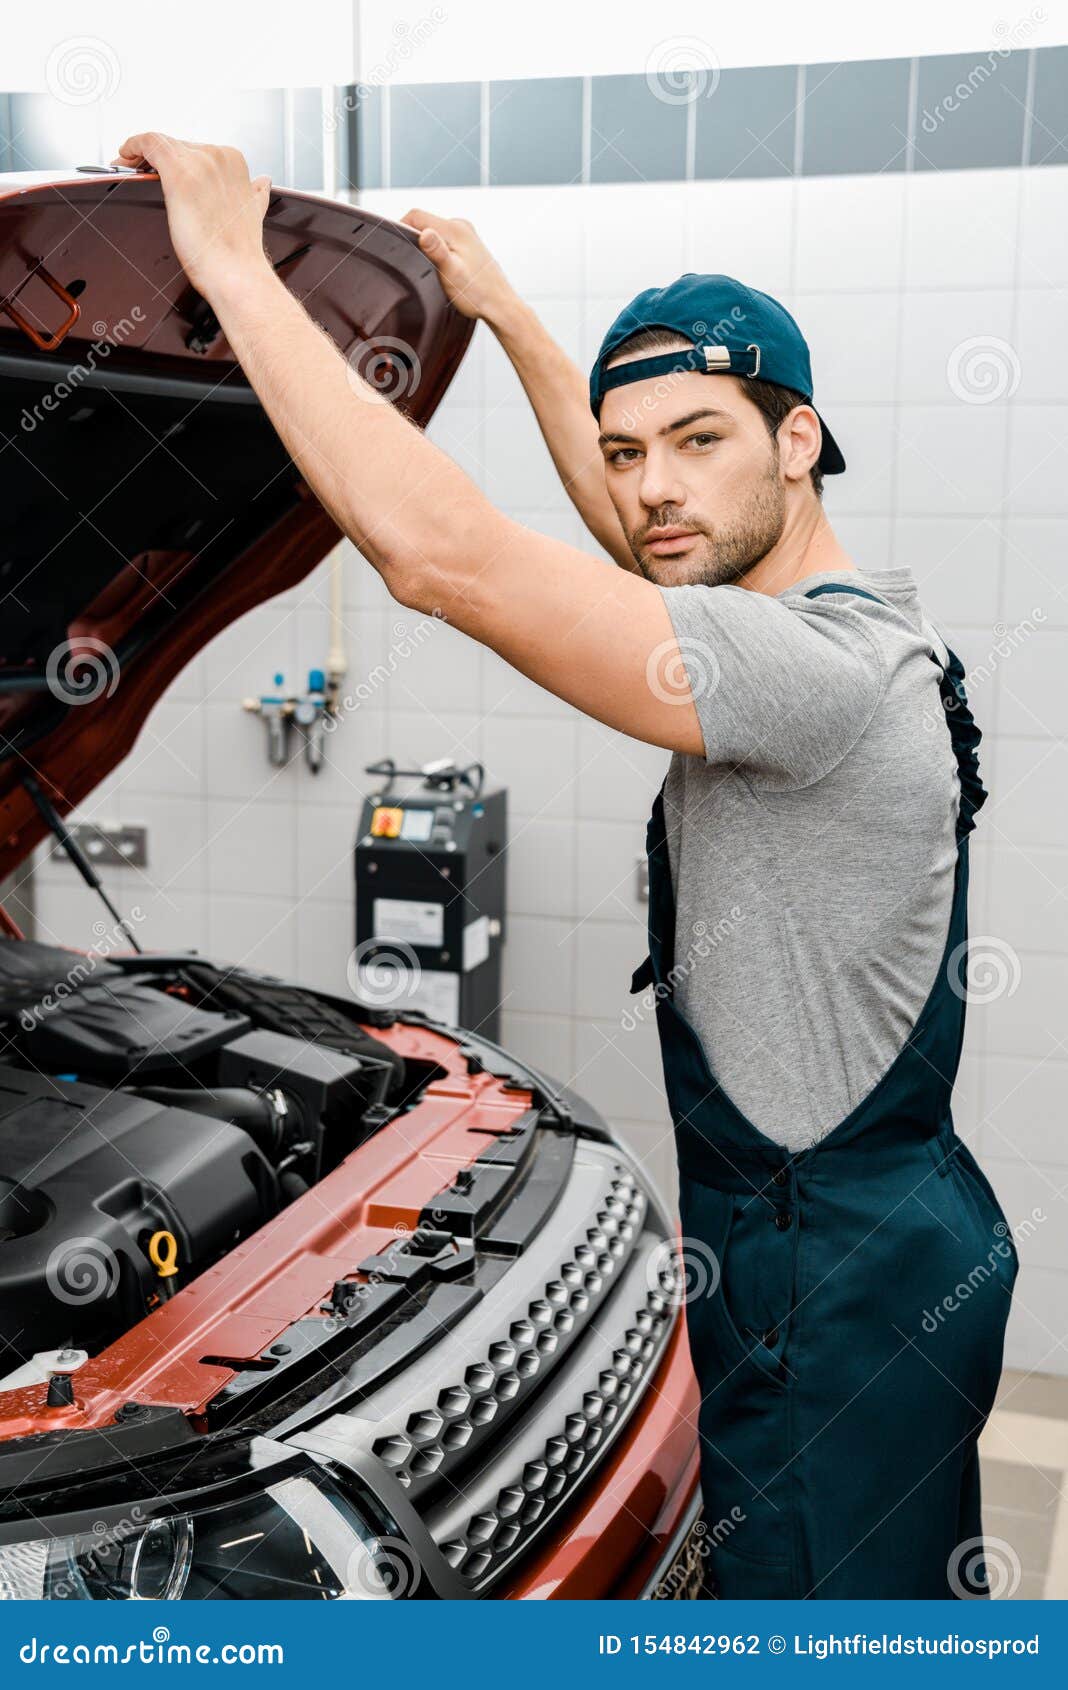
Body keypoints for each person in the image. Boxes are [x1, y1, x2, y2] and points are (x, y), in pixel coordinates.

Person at [111, 134, 1017, 1599]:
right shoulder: (858, 621)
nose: (654, 488)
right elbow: (655, 541)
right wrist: (514, 319)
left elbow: (444, 559)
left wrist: (229, 264)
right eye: (626, 450)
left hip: (825, 1296)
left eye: (700, 439)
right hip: (886, 1244)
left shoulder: (799, 674)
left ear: (799, 439)